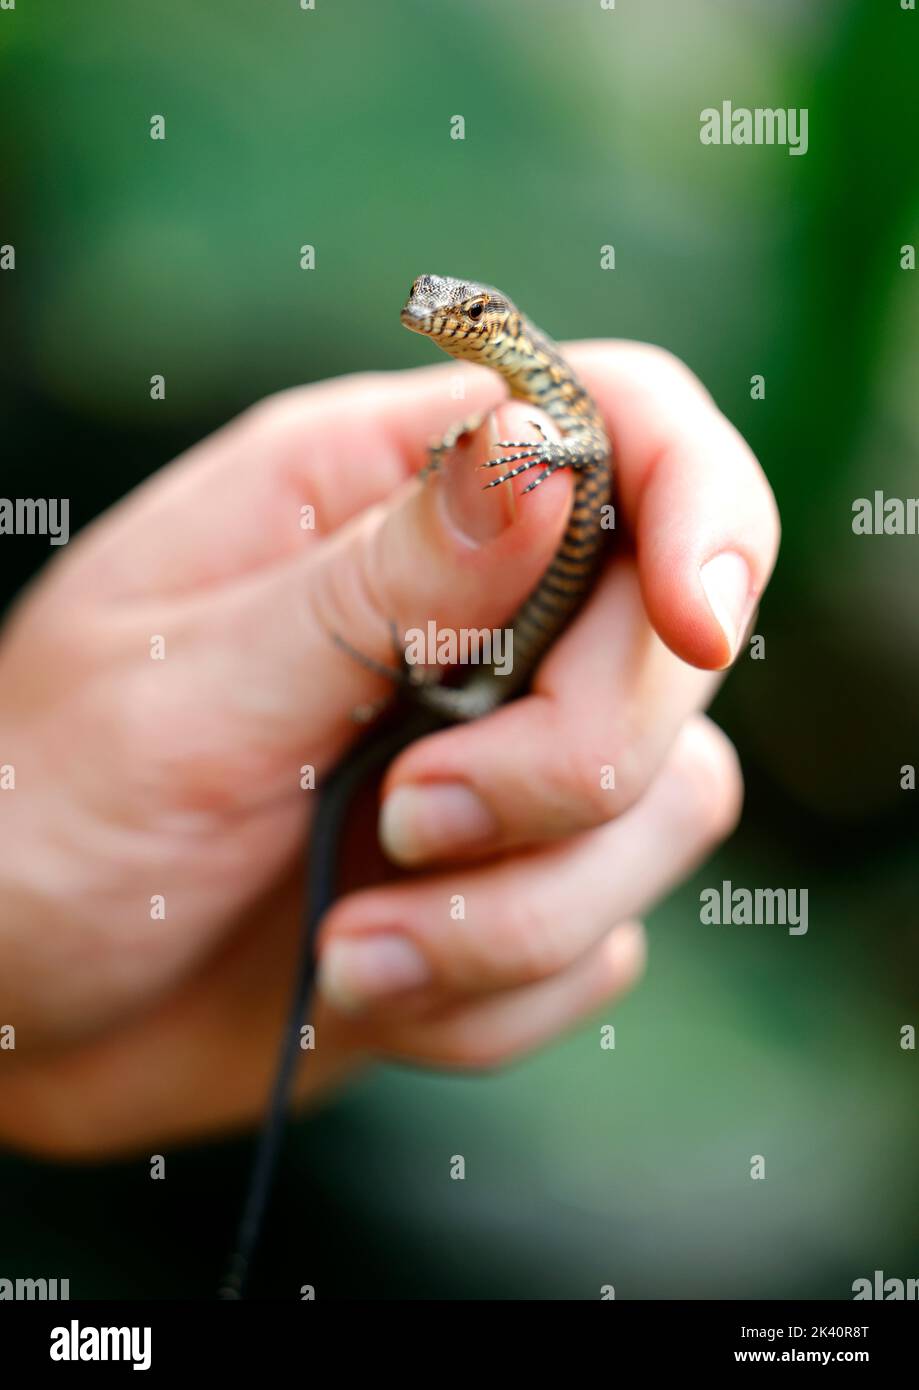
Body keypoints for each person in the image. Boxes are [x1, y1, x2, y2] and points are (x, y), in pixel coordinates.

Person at [0, 342, 779, 1156]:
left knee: (513, 725)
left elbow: (580, 445)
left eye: (465, 312)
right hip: (499, 658)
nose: (436, 318)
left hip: (515, 654)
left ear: (499, 329)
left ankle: (446, 707)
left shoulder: (557, 403)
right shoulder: (505, 414)